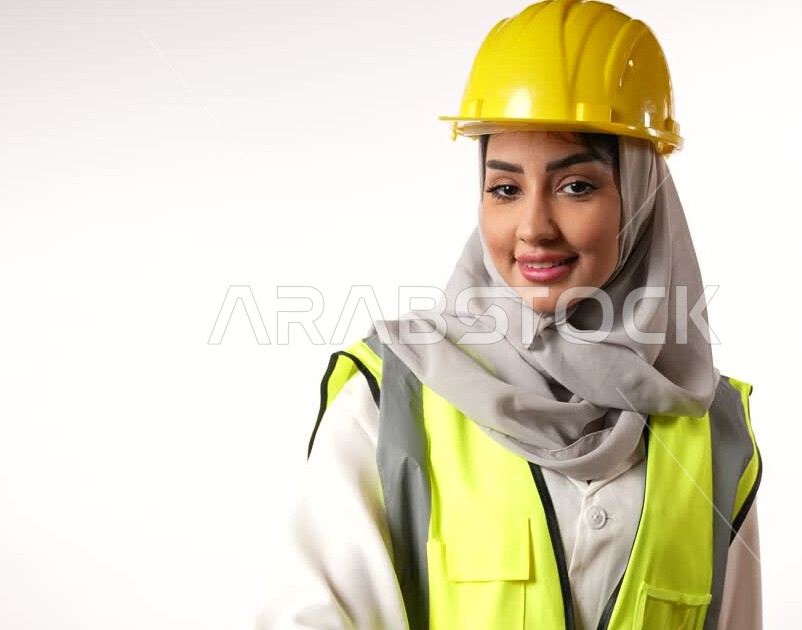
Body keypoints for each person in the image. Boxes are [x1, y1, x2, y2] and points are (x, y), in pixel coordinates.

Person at [257, 1, 762, 628]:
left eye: (576, 186)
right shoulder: (389, 401)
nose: (533, 228)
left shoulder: (713, 433)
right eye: (504, 189)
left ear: (639, 198)